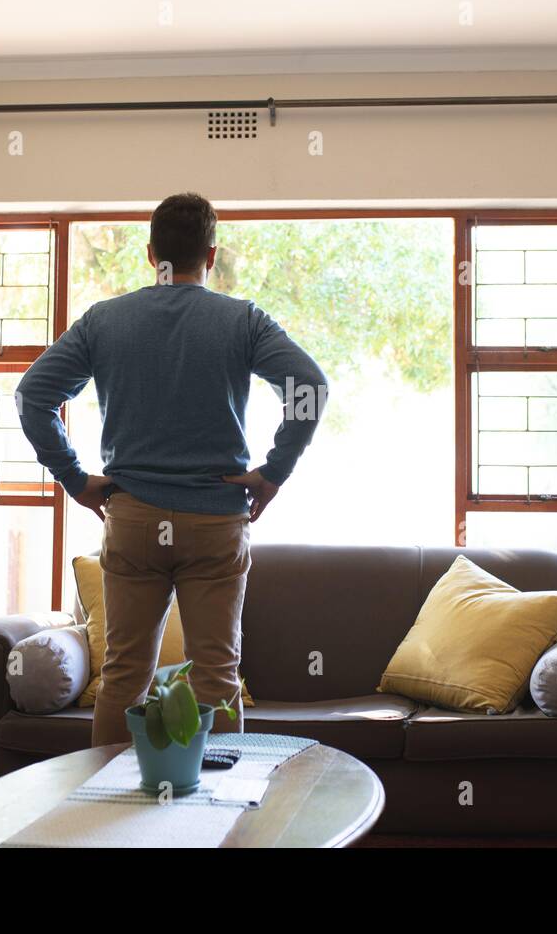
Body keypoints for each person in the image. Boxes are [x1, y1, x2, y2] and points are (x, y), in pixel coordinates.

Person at [16, 193, 327, 746]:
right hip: (215, 521)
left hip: (134, 519)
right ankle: (215, 815)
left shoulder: (105, 321)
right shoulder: (243, 320)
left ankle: (105, 812)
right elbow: (309, 387)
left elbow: (33, 395)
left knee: (124, 676)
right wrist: (273, 472)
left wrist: (75, 479)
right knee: (216, 676)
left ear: (150, 253)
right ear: (210, 256)